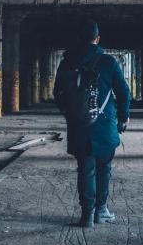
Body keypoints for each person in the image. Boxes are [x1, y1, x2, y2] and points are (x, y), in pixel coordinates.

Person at [53, 19, 131, 229]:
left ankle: (87, 215)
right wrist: (123, 116)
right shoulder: (108, 62)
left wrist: (71, 112)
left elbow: (57, 94)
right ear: (98, 39)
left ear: (79, 38)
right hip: (104, 125)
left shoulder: (67, 62)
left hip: (79, 125)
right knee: (103, 167)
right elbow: (123, 92)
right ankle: (101, 211)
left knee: (85, 169)